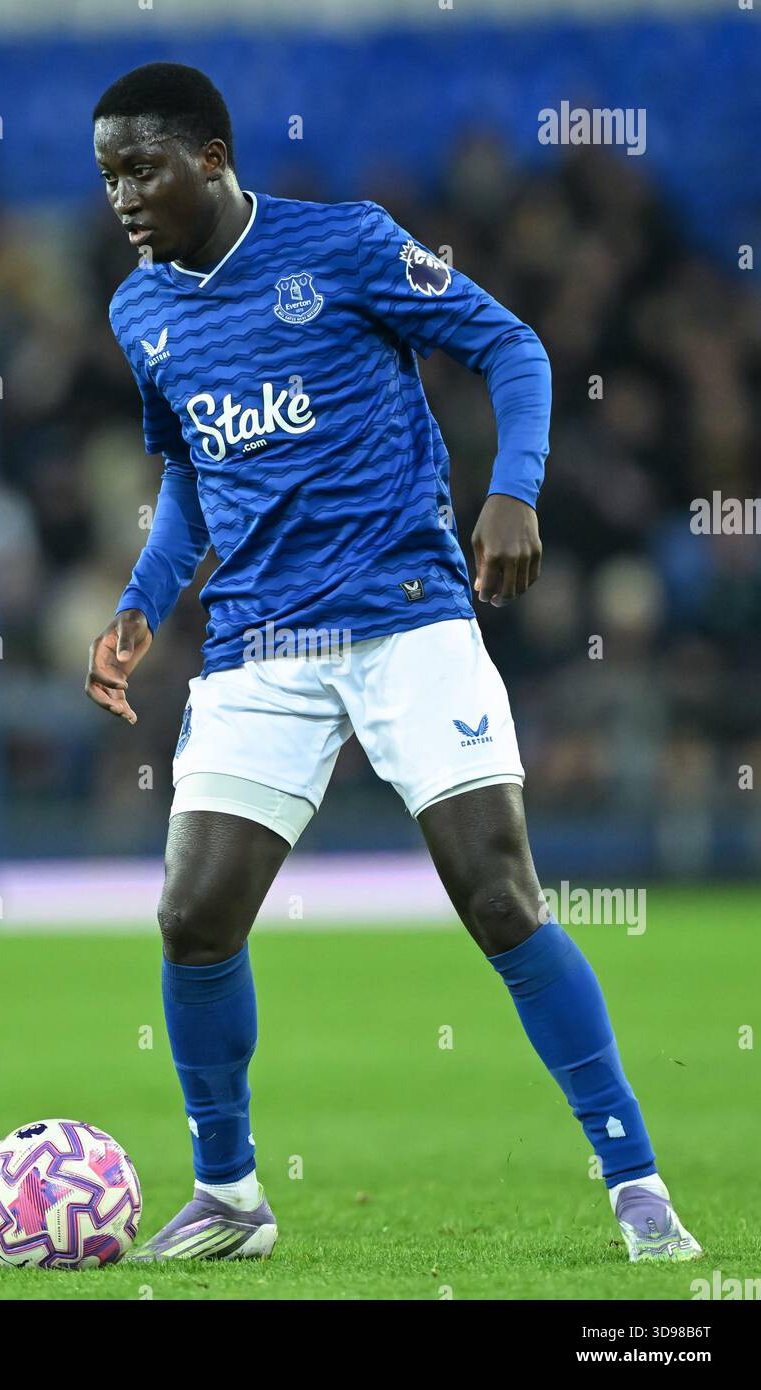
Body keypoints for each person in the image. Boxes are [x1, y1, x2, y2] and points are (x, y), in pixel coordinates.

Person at [86, 62, 701, 1265]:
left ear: (210, 158)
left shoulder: (349, 246)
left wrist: (512, 491)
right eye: (107, 175)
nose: (121, 196)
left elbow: (514, 349)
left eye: (141, 167)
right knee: (192, 916)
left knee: (497, 893)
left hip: (407, 613)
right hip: (262, 641)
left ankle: (636, 1183)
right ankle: (231, 1197)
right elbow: (190, 484)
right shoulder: (140, 312)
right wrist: (140, 604)